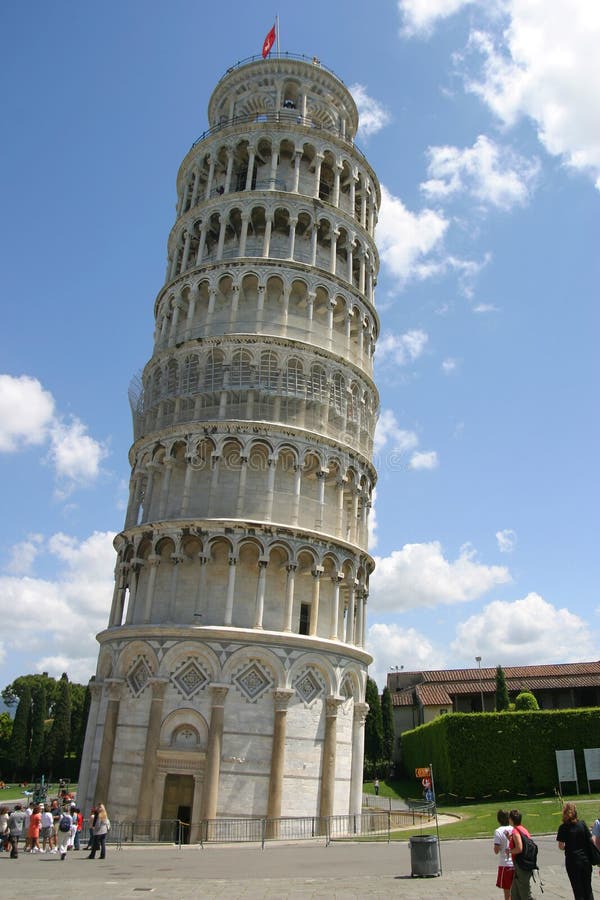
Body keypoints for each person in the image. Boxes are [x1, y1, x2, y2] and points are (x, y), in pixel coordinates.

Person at [556, 802, 594, 900]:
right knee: (588, 888)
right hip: (585, 859)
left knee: (578, 889)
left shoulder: (563, 827)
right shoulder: (582, 824)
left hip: (572, 861)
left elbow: (561, 846)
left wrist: (567, 848)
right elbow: (591, 840)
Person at [509, 809, 533, 900]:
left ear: (511, 819)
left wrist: (509, 851)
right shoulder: (523, 829)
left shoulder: (515, 831)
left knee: (525, 894)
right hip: (525, 864)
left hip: (521, 866)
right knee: (515, 894)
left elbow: (519, 848)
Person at [493, 809, 514, 900]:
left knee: (507, 892)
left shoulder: (498, 831)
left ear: (498, 819)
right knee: (514, 891)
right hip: (515, 863)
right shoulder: (513, 829)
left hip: (505, 864)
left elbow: (496, 850)